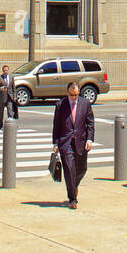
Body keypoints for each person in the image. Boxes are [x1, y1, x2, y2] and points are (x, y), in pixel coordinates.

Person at [52, 80, 95, 210]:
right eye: (72, 95)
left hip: (81, 142)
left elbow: (90, 123)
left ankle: (74, 185)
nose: (74, 97)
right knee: (69, 170)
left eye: (76, 95)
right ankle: (72, 198)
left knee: (82, 169)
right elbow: (56, 125)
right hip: (66, 143)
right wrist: (55, 143)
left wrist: (89, 139)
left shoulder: (85, 103)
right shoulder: (61, 105)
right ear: (68, 93)